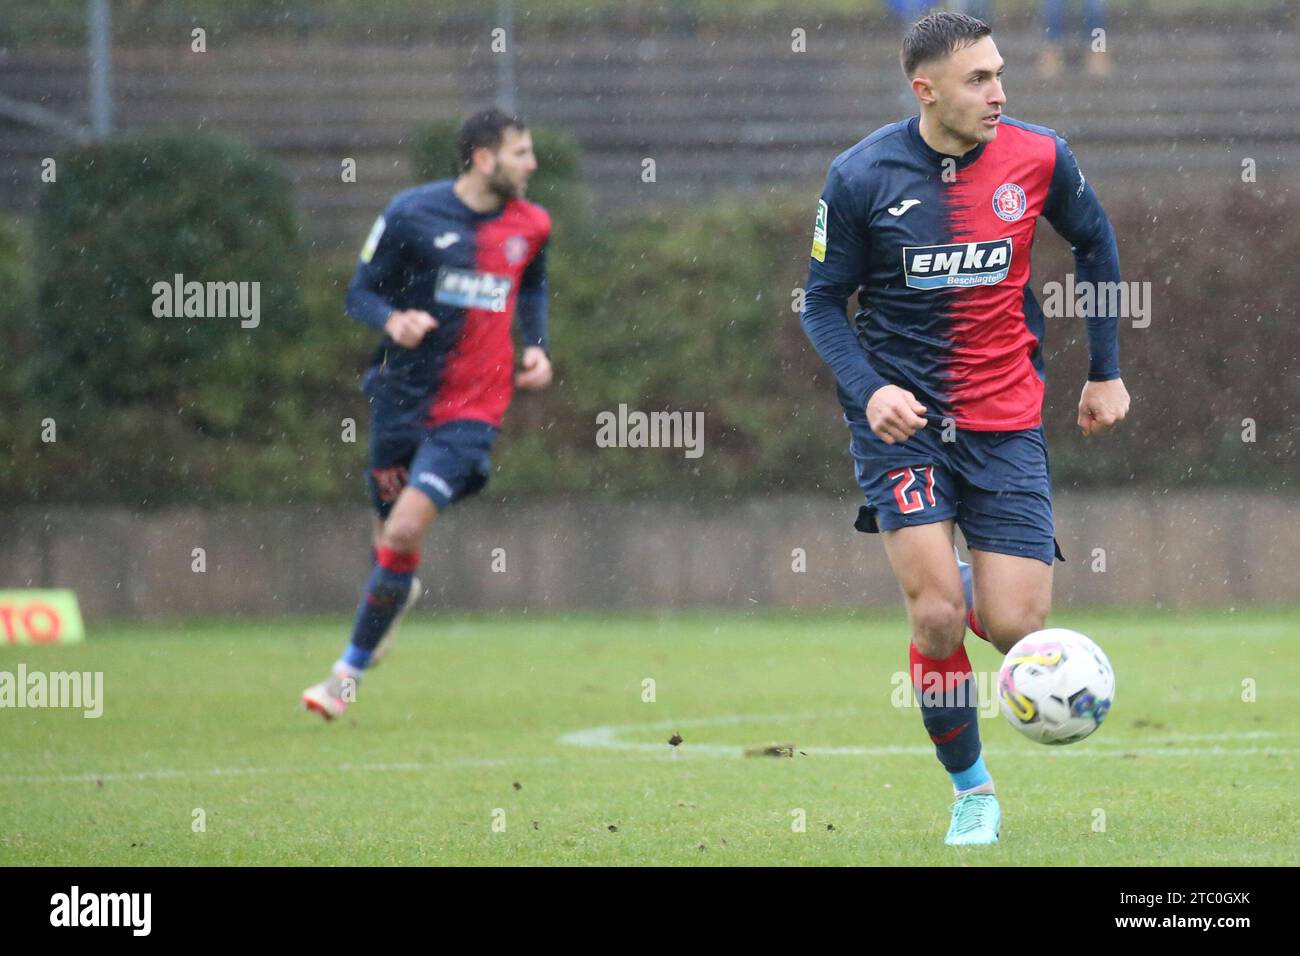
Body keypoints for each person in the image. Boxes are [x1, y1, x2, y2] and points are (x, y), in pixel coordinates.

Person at [799, 12, 1129, 845]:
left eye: (1000, 73)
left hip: (1005, 415)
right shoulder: (861, 175)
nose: (998, 92)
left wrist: (1105, 369)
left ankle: (983, 586)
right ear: (927, 90)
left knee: (1018, 627)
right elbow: (819, 302)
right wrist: (870, 390)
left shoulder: (1039, 155)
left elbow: (1096, 243)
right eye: (979, 79)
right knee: (938, 617)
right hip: (900, 422)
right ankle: (973, 790)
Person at [302, 108, 553, 720]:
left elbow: (534, 285)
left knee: (406, 529)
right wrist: (393, 320)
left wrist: (536, 344)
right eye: (521, 153)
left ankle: (344, 678)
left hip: (473, 409)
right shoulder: (412, 213)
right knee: (389, 534)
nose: (532, 164)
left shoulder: (533, 224)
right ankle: (391, 595)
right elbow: (360, 290)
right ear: (484, 158)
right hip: (399, 396)